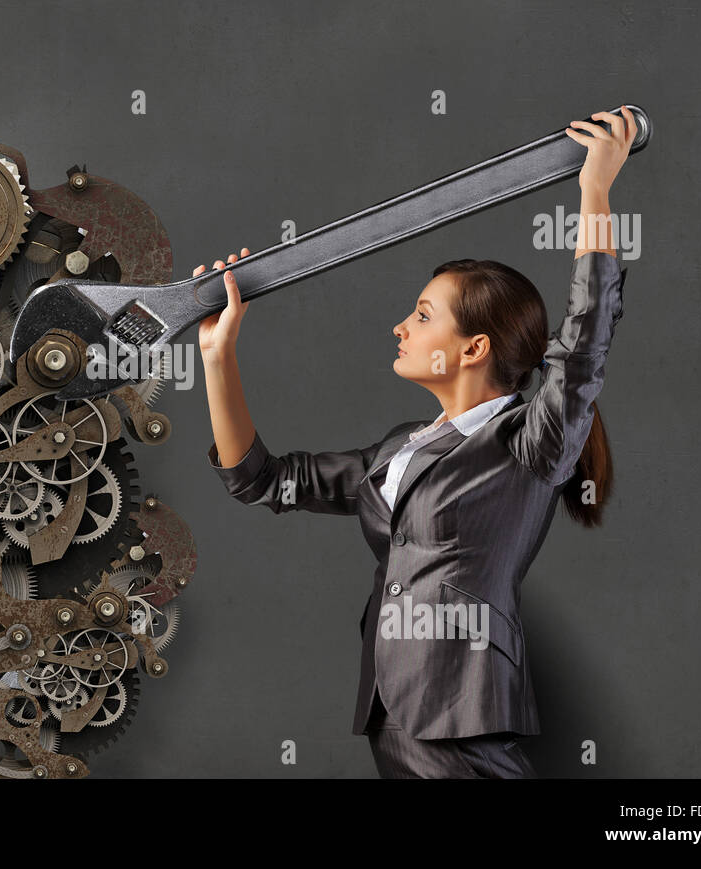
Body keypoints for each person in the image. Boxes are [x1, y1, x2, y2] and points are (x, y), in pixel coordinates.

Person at [197, 107, 637, 778]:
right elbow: (260, 479)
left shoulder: (531, 443)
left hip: (463, 713)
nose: (400, 326)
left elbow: (586, 336)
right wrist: (217, 355)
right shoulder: (398, 449)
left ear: (474, 347)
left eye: (423, 315)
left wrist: (595, 190)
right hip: (391, 713)